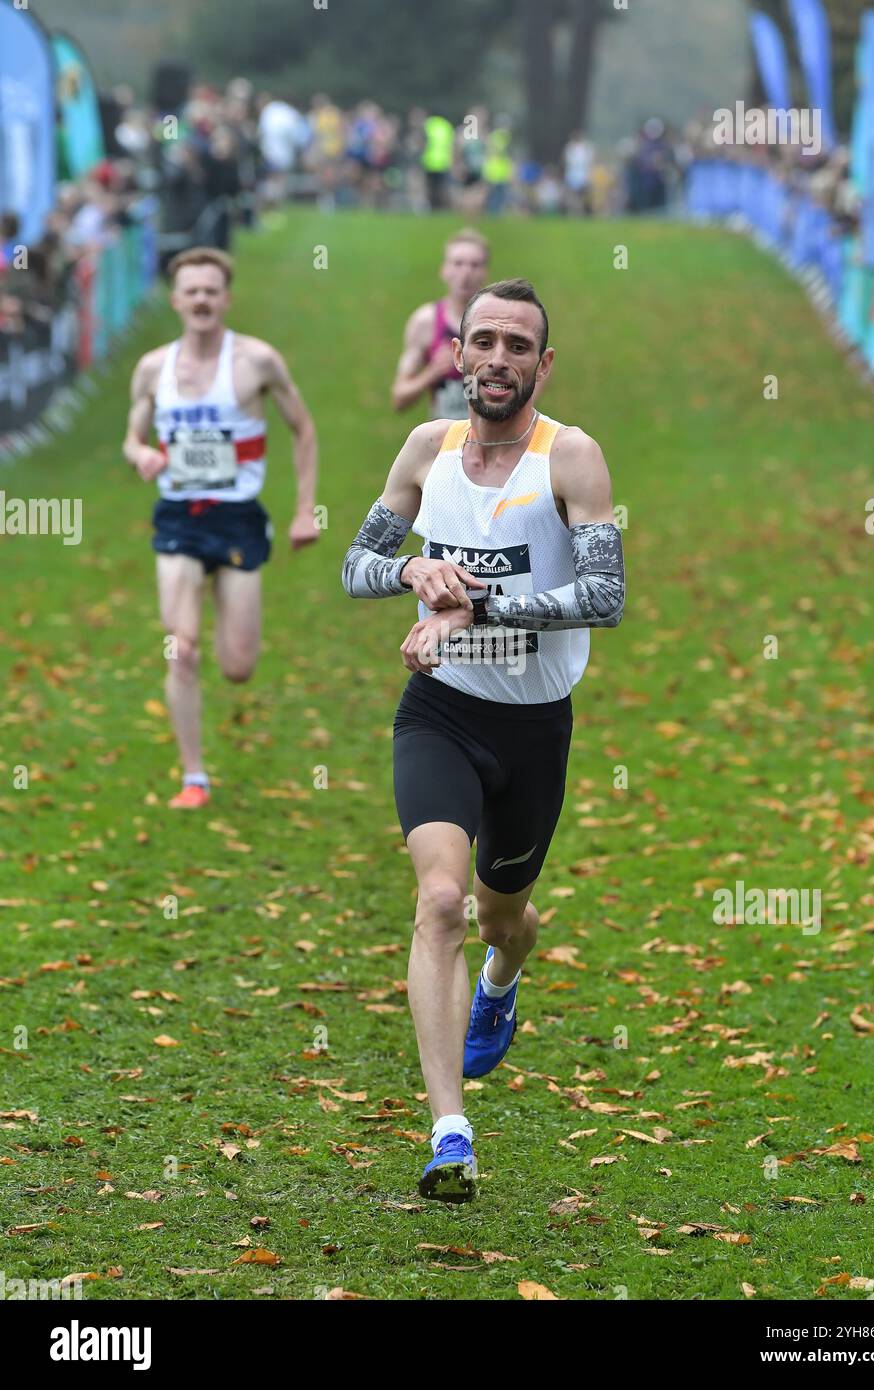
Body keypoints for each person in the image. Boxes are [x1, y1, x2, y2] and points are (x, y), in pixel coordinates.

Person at [342, 278, 625, 1202]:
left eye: (517, 346)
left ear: (542, 365)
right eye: (483, 342)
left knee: (504, 915)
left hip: (535, 726)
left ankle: (504, 975)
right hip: (442, 712)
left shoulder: (571, 458)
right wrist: (410, 568)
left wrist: (474, 609)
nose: (497, 359)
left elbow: (603, 598)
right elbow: (354, 566)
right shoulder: (425, 449)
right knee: (438, 902)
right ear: (456, 354)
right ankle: (449, 1131)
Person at [123, 246, 319, 808]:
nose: (203, 299)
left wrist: (305, 510)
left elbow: (303, 430)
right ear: (176, 299)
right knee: (179, 650)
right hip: (179, 516)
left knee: (237, 666)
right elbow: (132, 435)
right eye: (192, 290)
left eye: (212, 290)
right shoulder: (152, 368)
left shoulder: (257, 361)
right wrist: (140, 455)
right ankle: (194, 777)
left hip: (238, 518)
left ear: (226, 298)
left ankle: (221, 625)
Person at [391, 228, 489, 421]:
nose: (466, 273)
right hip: (444, 443)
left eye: (474, 265)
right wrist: (431, 373)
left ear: (485, 272)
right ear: (444, 270)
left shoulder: (500, 321)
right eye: (458, 263)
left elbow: (539, 370)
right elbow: (399, 398)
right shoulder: (425, 322)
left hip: (493, 444)